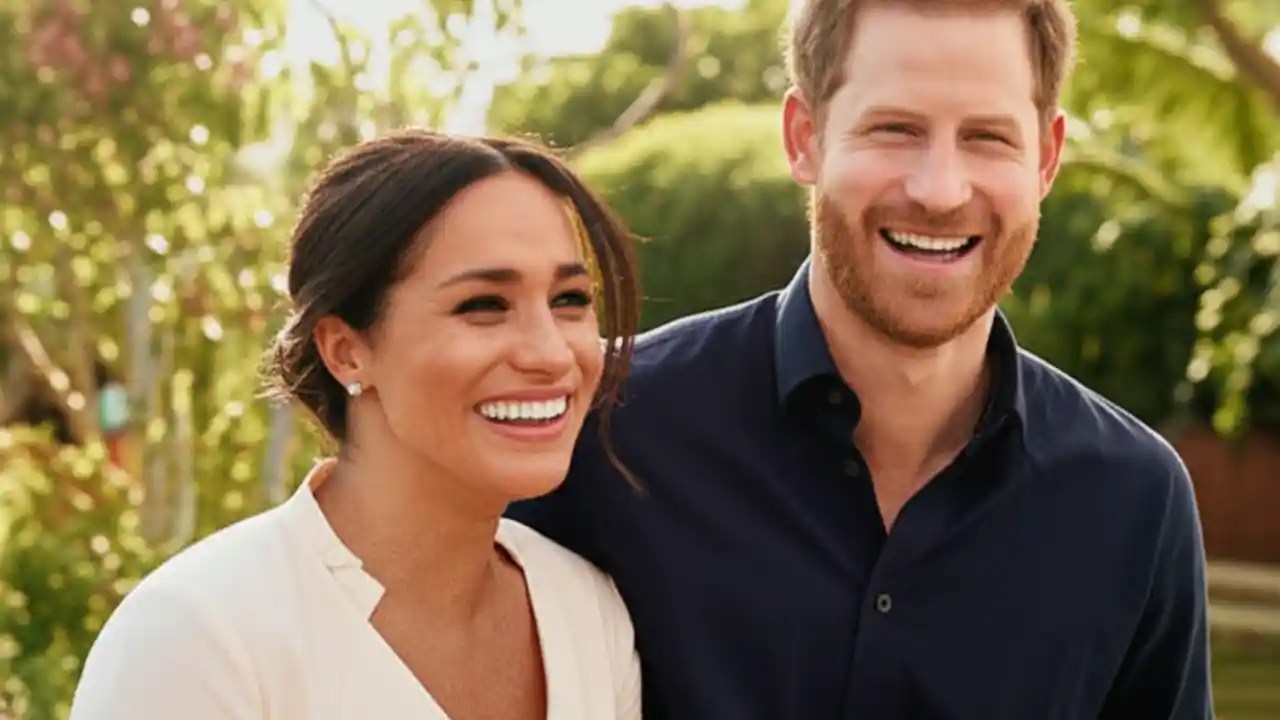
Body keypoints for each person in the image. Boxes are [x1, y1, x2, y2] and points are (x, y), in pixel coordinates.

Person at [508, 0, 1213, 717]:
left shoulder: (1136, 502)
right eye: (895, 129)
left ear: (1046, 158)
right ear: (804, 137)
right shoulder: (603, 434)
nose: (940, 191)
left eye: (988, 137)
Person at [70, 130, 643, 719]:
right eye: (483, 305)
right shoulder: (199, 639)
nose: (550, 353)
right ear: (346, 351)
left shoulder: (586, 614)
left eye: (570, 299)